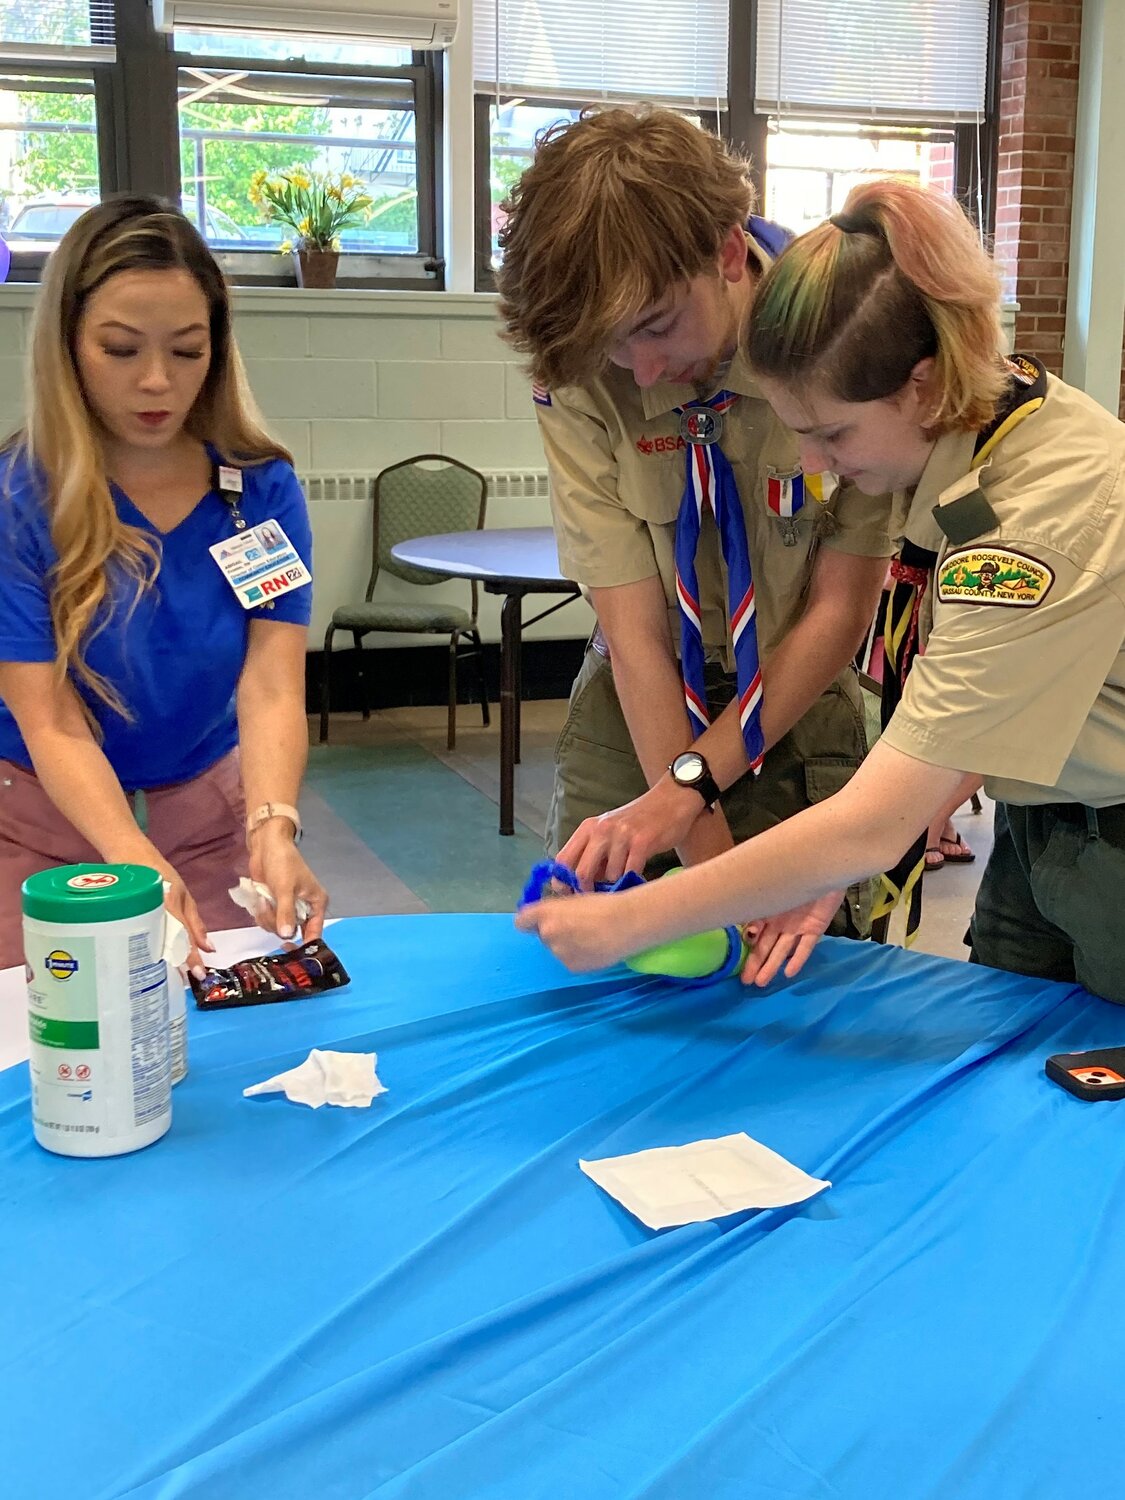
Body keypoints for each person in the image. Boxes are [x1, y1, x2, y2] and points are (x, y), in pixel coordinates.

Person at [517, 176, 1125, 1004]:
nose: (812, 465)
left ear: (918, 383)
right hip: (1040, 820)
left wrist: (637, 919)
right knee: (1019, 1075)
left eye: (829, 433)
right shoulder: (964, 437)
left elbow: (872, 818)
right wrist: (827, 862)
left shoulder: (1036, 518)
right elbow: (981, 710)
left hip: (1109, 833)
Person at [497, 109, 893, 943]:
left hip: (794, 697)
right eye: (611, 344)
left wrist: (695, 813)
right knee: (608, 984)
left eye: (654, 326)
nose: (641, 372)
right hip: (638, 710)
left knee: (805, 989)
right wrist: (705, 857)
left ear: (722, 251)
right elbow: (634, 633)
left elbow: (840, 608)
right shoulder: (578, 373)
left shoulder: (841, 327)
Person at [0, 195, 327, 971]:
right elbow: (48, 719)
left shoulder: (258, 490)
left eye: (187, 351)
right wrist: (129, 855)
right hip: (46, 814)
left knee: (228, 1014)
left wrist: (273, 826)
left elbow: (273, 686)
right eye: (121, 350)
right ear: (68, 346)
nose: (157, 382)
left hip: (213, 809)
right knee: (56, 1038)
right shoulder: (21, 498)